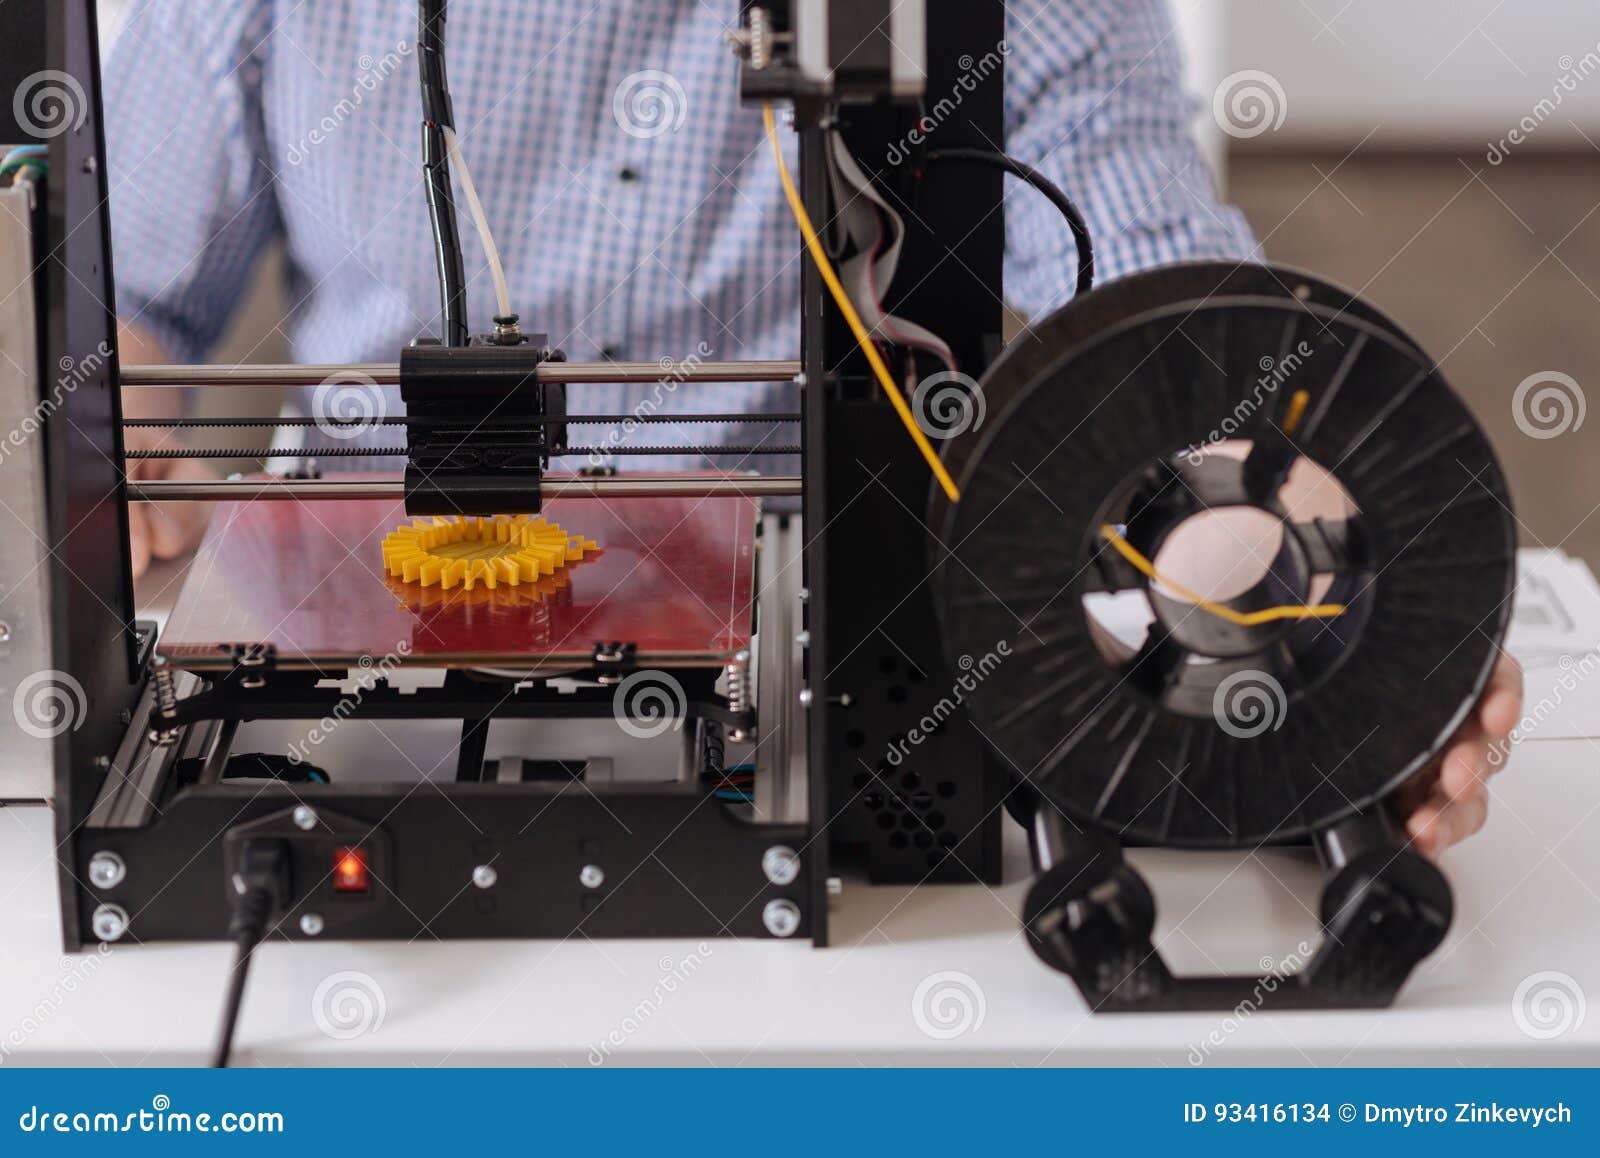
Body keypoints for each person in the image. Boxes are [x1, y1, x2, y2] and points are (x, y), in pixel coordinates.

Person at [101, 0, 1522, 855]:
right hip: (354, 674)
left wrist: (1335, 616)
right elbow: (125, 301)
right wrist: (119, 414)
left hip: (844, 682)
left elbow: (1163, 342)